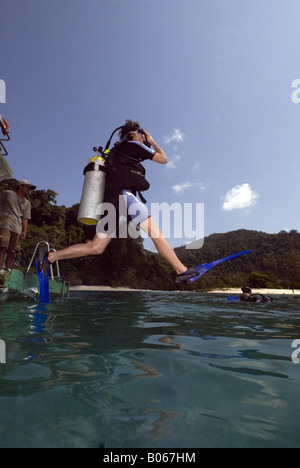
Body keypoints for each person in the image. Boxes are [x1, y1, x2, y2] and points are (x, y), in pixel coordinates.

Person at [45, 120, 198, 283]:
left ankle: (51, 257)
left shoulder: (117, 152)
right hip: (124, 197)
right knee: (155, 232)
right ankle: (182, 270)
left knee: (96, 247)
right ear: (133, 134)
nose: (143, 139)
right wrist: (152, 141)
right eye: (142, 135)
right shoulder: (133, 145)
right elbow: (163, 158)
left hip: (111, 201)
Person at [0, 179, 36, 270]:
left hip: (17, 227)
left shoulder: (27, 203)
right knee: (3, 247)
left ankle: (7, 273)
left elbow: (25, 218)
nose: (29, 190)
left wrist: (24, 231)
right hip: (6, 223)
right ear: (21, 186)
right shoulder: (8, 193)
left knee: (12, 251)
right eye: (27, 187)